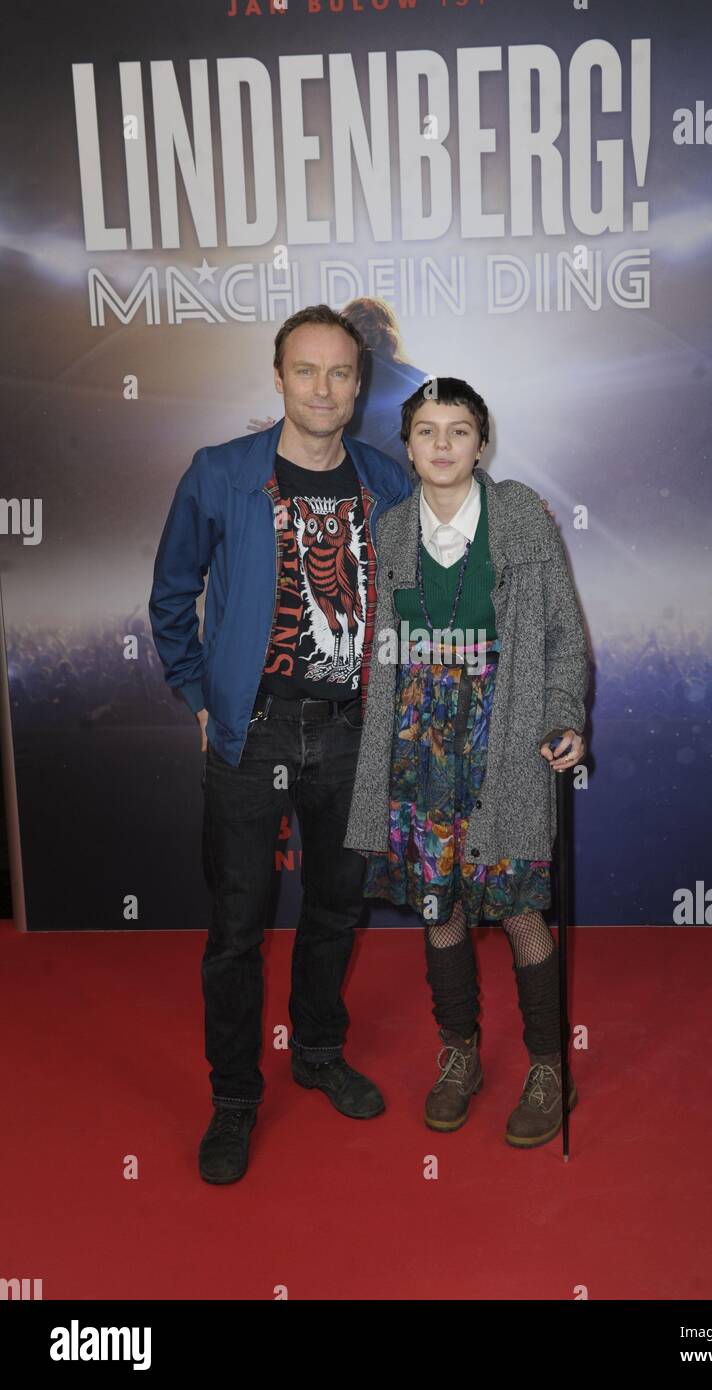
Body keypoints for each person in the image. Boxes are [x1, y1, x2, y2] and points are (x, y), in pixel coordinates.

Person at [149, 305, 412, 1184]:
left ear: (358, 384)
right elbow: (172, 591)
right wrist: (198, 691)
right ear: (278, 377)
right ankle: (233, 1097)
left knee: (338, 906)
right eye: (307, 371)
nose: (324, 388)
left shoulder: (386, 481)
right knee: (235, 927)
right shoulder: (221, 473)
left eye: (340, 373)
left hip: (349, 731)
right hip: (252, 728)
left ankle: (318, 1050)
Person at [344, 378, 589, 1148]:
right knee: (437, 905)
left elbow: (561, 636)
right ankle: (460, 1055)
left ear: (481, 442)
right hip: (416, 742)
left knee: (517, 906)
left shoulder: (519, 515)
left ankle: (549, 1065)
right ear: (408, 446)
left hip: (505, 728)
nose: (442, 444)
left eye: (458, 430)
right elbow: (378, 651)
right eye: (425, 430)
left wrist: (563, 717)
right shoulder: (389, 528)